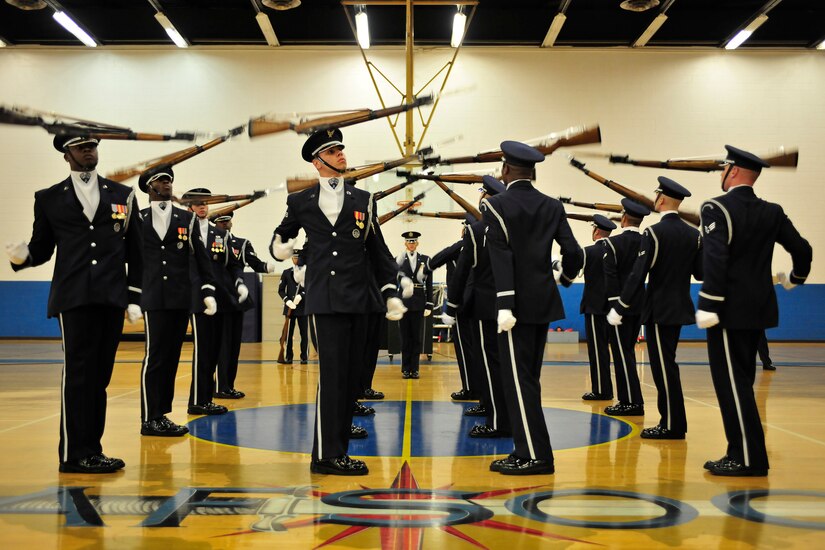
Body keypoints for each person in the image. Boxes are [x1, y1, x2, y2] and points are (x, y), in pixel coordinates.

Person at [270, 127, 406, 476]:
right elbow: (282, 235)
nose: (341, 154)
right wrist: (280, 248)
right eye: (333, 152)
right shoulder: (300, 201)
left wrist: (391, 287)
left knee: (353, 378)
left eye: (341, 149)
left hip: (359, 299)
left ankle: (335, 446)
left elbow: (378, 251)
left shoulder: (364, 200)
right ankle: (328, 454)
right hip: (325, 300)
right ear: (318, 162)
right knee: (332, 377)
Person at [6, 133, 143, 473]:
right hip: (74, 296)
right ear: (66, 155)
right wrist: (22, 257)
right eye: (80, 147)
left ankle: (92, 450)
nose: (88, 151)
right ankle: (72, 453)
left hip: (111, 297)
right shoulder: (50, 198)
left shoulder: (123, 195)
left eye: (92, 146)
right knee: (79, 373)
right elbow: (42, 248)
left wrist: (135, 297)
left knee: (100, 377)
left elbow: (136, 252)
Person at [696, 145, 811, 477]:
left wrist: (709, 304)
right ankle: (739, 452)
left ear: (732, 171)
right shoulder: (772, 211)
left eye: (723, 169)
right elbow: (802, 249)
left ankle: (748, 458)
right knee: (741, 383)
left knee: (732, 386)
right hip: (758, 310)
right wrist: (795, 278)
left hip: (728, 312)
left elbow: (715, 259)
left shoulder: (715, 208)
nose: (721, 174)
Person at [482, 141, 582, 475]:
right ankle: (526, 450)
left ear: (506, 170)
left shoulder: (496, 206)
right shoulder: (552, 206)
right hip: (543, 303)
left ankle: (535, 456)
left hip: (515, 310)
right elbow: (575, 254)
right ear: (533, 171)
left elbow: (501, 256)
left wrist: (506, 304)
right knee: (529, 380)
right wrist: (564, 279)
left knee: (517, 381)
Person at [607, 177, 703, 439]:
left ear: (660, 199)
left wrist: (621, 306)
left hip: (660, 309)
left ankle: (671, 424)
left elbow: (638, 274)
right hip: (680, 306)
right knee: (667, 365)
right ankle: (673, 421)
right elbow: (701, 271)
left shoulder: (654, 234)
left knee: (663, 369)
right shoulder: (694, 234)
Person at [136, 165, 216, 437]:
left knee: (171, 358)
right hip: (153, 296)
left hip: (181, 296)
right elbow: (128, 258)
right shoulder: (138, 218)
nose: (167, 184)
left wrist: (207, 290)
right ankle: (149, 417)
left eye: (169, 180)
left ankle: (162, 414)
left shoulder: (187, 218)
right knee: (155, 356)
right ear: (149, 186)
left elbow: (201, 257)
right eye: (160, 180)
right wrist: (130, 294)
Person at [443, 175, 511, 438]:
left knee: (489, 363)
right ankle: (505, 415)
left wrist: (452, 305)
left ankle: (495, 419)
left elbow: (463, 272)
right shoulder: (512, 228)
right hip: (509, 307)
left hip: (483, 307)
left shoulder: (477, 231)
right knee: (506, 363)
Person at [183, 188, 246, 416]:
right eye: (198, 204)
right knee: (202, 351)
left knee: (214, 351)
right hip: (199, 298)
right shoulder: (184, 228)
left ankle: (206, 399)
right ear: (189, 207)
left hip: (220, 299)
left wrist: (238, 283)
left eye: (205, 203)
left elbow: (230, 263)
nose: (203, 207)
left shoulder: (218, 232)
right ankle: (197, 400)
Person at [213, 211, 276, 398]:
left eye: (227, 221)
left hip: (237, 299)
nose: (225, 224)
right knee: (222, 345)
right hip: (219, 298)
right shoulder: (210, 241)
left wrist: (266, 266)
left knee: (233, 346)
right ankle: (220, 386)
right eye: (220, 221)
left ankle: (228, 385)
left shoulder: (240, 243)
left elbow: (254, 262)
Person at [602, 198, 651, 417]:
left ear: (623, 218)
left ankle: (631, 402)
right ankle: (629, 399)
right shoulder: (646, 242)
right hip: (640, 305)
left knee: (623, 356)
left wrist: (616, 309)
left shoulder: (612, 244)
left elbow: (611, 278)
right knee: (627, 352)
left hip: (619, 310)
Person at [430, 233, 477, 401]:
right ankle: (476, 388)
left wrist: (453, 307)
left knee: (466, 351)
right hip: (475, 307)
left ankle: (471, 389)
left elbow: (443, 256)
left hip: (464, 307)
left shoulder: (463, 248)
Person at [579, 214, 617, 401]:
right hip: (615, 308)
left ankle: (602, 390)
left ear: (596, 231)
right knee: (618, 350)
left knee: (598, 350)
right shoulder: (616, 250)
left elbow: (572, 271)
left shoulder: (588, 252)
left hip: (594, 307)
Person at [396, 231, 434, 379]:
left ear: (417, 243)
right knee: (405, 337)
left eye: (413, 242)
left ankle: (415, 369)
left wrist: (429, 304)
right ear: (405, 243)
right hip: (404, 302)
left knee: (416, 338)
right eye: (409, 242)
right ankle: (406, 368)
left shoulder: (425, 259)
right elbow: (394, 282)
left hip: (418, 302)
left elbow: (429, 284)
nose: (411, 244)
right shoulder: (398, 260)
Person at [277, 250, 308, 365]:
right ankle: (288, 356)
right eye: (294, 258)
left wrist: (301, 295)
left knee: (304, 334)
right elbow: (280, 290)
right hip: (290, 308)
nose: (296, 260)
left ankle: (304, 357)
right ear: (291, 259)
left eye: (298, 258)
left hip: (303, 308)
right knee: (289, 334)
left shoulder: (306, 272)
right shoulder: (286, 273)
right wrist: (287, 300)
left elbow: (309, 288)